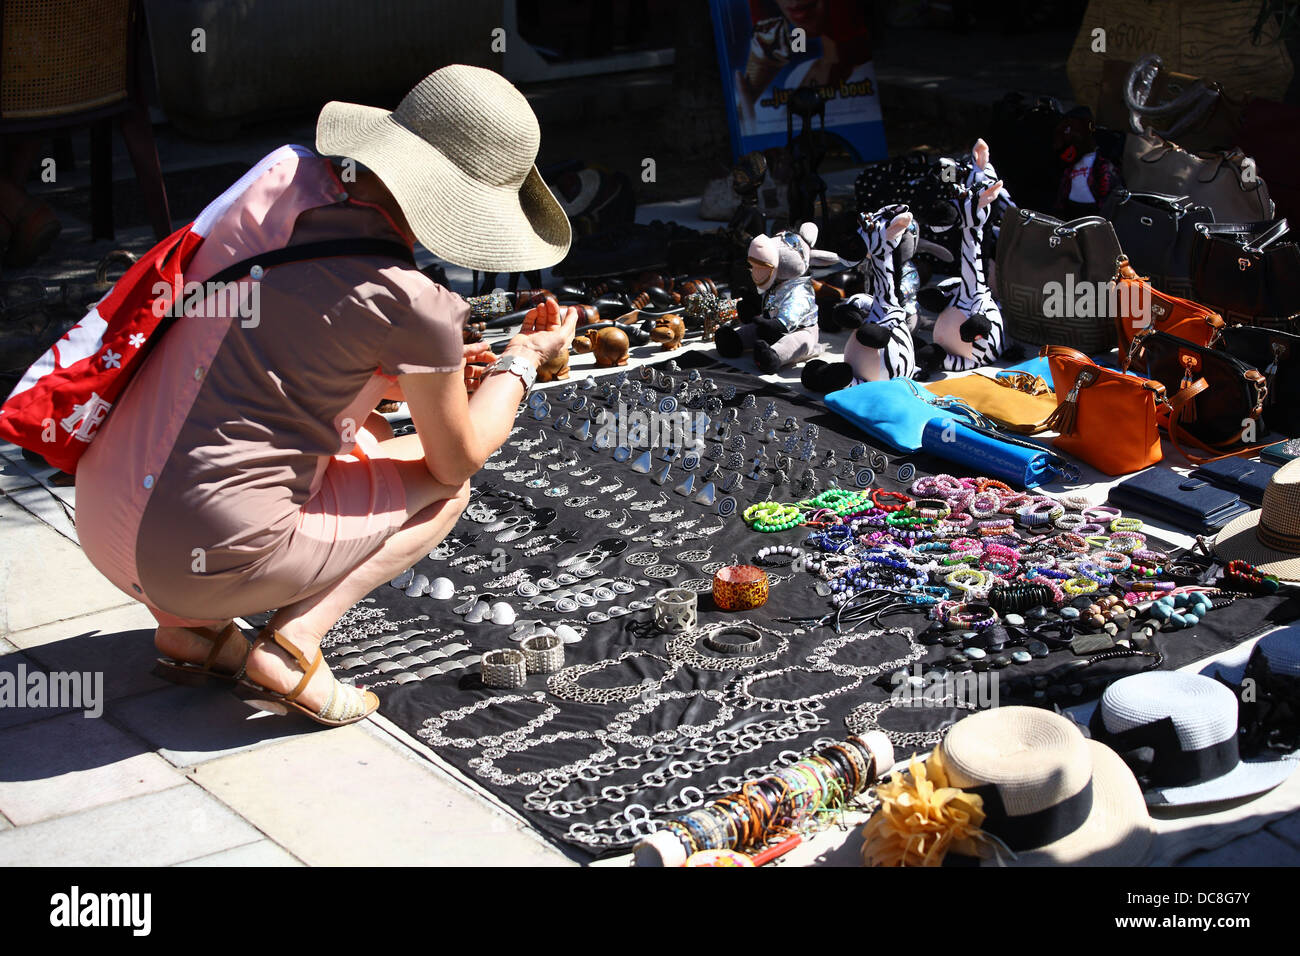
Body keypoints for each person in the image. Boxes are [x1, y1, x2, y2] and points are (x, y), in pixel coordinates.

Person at [73, 65, 575, 726]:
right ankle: (291, 646)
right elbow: (460, 457)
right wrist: (521, 362)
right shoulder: (415, 302)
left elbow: (270, 349)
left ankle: (189, 632)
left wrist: (420, 373)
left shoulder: (275, 187)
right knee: (445, 487)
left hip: (101, 516)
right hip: (194, 552)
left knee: (360, 436)